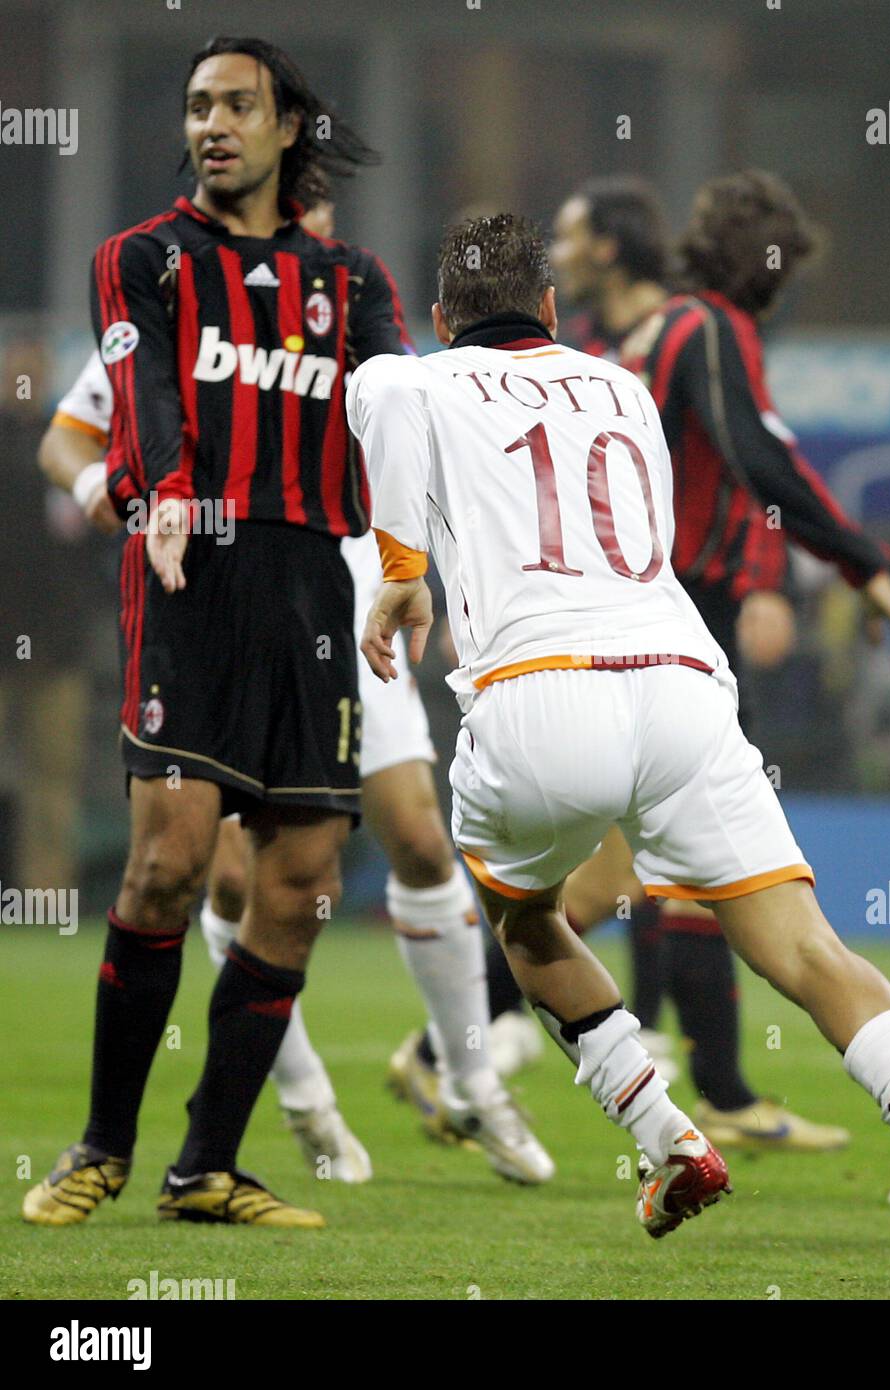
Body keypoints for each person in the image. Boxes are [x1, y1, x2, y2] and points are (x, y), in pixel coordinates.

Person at [347, 211, 890, 1282]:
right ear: (556, 312)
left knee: (526, 923)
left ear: (438, 317)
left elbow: (374, 393)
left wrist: (399, 567)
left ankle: (669, 1138)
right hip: (680, 687)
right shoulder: (618, 385)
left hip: (537, 695)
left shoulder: (415, 379)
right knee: (808, 951)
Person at [39, 199, 551, 1190]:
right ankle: (302, 1097)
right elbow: (66, 436)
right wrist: (96, 482)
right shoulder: (178, 299)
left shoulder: (348, 300)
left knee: (414, 834)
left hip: (344, 580)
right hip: (217, 598)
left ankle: (472, 1081)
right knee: (229, 877)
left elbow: (415, 442)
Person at [24, 35, 408, 1229]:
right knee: (167, 864)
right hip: (194, 577)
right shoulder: (142, 259)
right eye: (197, 106)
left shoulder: (354, 283)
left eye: (237, 104)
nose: (212, 124)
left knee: (297, 884)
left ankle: (207, 1166)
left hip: (314, 589)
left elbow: (396, 429)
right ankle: (98, 1148)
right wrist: (165, 491)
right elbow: (134, 393)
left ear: (288, 125)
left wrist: (406, 565)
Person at [608, 170, 890, 1150]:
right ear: (760, 262)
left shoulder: (673, 328)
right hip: (671, 613)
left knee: (655, 862)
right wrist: (859, 561)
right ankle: (471, 1044)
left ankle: (718, 1087)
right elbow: (757, 459)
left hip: (645, 611)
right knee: (683, 858)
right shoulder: (710, 329)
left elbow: (742, 460)